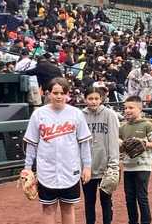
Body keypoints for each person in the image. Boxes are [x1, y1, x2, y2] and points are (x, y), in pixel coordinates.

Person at [22, 77, 92, 224]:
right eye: (55, 93)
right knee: (48, 209)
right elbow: (32, 144)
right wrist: (27, 168)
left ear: (67, 94)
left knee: (68, 208)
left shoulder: (76, 114)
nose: (59, 96)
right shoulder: (39, 114)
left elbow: (84, 143)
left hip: (70, 169)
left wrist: (87, 166)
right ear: (48, 94)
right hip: (46, 170)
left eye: (62, 93)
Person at [119, 96, 152, 224]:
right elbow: (120, 147)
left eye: (131, 107)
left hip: (143, 167)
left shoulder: (147, 125)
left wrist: (144, 143)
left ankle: (146, 221)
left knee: (141, 197)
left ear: (140, 109)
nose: (127, 110)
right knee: (129, 198)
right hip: (128, 166)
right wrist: (120, 144)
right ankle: (133, 221)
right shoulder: (123, 127)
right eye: (125, 108)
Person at [82, 86, 119, 224]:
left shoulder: (109, 114)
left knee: (106, 201)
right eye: (90, 98)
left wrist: (113, 164)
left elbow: (114, 140)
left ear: (101, 99)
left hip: (105, 167)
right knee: (89, 202)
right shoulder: (81, 115)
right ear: (85, 99)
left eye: (96, 98)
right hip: (87, 168)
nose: (93, 101)